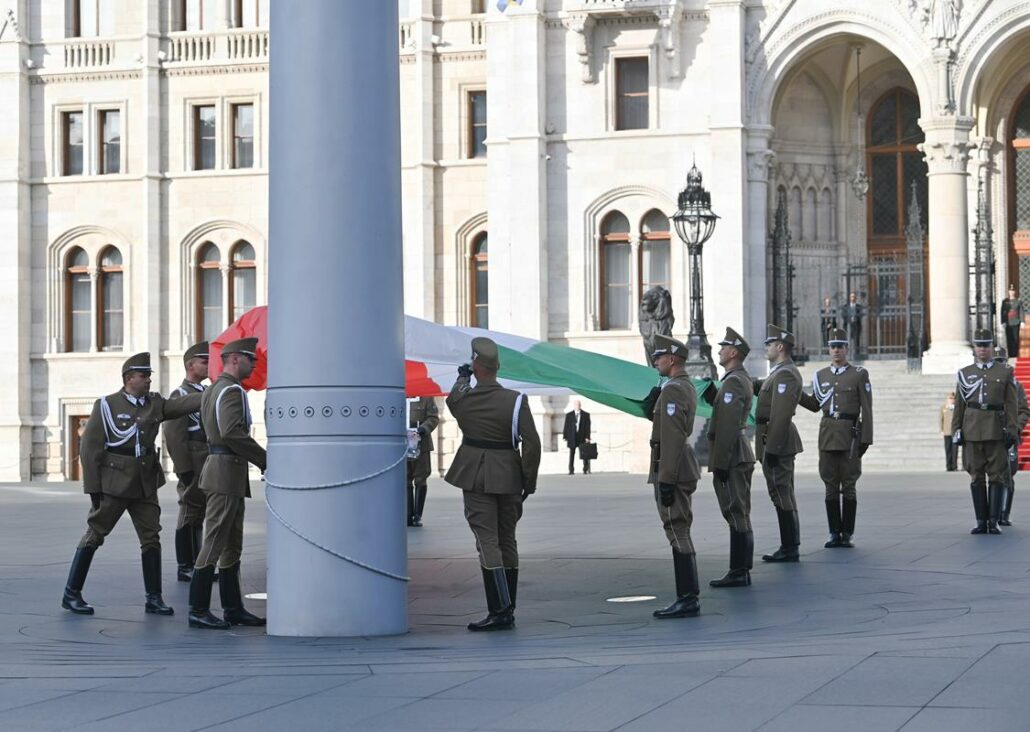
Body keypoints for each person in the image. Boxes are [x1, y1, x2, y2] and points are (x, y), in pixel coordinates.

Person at [61, 352, 203, 616]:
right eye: (143, 376)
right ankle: (71, 594)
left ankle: (154, 598)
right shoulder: (106, 405)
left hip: (145, 483)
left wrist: (211, 394)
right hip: (114, 483)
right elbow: (90, 451)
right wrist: (93, 489)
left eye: (149, 376)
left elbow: (182, 405)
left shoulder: (155, 404)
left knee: (151, 537)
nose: (149, 380)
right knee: (95, 534)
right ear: (128, 378)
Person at [445, 337, 541, 631]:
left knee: (487, 540)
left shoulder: (465, 399)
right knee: (507, 539)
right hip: (510, 475)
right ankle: (508, 606)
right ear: (496, 367)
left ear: (476, 365)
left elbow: (452, 399)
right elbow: (532, 444)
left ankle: (499, 611)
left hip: (476, 474)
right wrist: (528, 480)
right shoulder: (516, 400)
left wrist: (463, 377)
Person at [187, 337, 267, 629]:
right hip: (225, 470)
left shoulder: (214, 389)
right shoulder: (230, 390)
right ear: (235, 359)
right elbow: (232, 432)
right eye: (250, 359)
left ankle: (233, 608)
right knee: (215, 540)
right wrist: (265, 459)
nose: (254, 364)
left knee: (232, 542)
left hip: (227, 470)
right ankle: (197, 608)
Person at [646, 334, 702, 618]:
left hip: (673, 467)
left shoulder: (674, 390)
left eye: (658, 357)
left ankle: (688, 598)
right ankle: (688, 596)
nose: (654, 361)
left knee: (676, 527)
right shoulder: (679, 386)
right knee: (679, 527)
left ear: (671, 359)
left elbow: (673, 436)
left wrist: (665, 478)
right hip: (678, 465)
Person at [809, 329, 873, 549]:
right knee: (829, 484)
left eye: (840, 346)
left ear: (847, 349)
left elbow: (867, 408)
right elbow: (815, 404)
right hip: (827, 432)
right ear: (829, 349)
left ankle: (847, 533)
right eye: (833, 346)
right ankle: (834, 533)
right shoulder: (820, 376)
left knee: (849, 485)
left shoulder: (858, 374)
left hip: (849, 434)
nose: (836, 350)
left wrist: (866, 438)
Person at [952, 329, 1019, 535]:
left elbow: (1011, 403)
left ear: (992, 347)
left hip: (996, 428)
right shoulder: (965, 373)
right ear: (974, 347)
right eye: (979, 345)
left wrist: (1012, 429)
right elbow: (960, 405)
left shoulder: (1004, 371)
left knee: (997, 476)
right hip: (971, 428)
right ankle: (981, 521)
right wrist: (956, 429)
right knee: (976, 476)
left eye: (986, 345)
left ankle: (994, 521)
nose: (982, 349)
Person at [706, 327, 756, 588]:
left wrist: (721, 462)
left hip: (733, 453)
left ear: (733, 352)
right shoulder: (737, 379)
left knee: (736, 511)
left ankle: (739, 570)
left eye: (723, 347)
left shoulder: (734, 381)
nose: (719, 351)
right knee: (740, 511)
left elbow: (727, 424)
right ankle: (740, 569)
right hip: (738, 450)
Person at [754, 325, 806, 562]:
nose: (766, 348)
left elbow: (782, 414)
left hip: (778, 441)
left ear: (780, 347)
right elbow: (762, 387)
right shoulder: (779, 372)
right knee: (781, 491)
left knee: (781, 492)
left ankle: (789, 547)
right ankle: (789, 545)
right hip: (773, 439)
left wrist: (772, 448)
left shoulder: (785, 374)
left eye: (769, 344)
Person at [164, 341, 210, 582]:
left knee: (200, 513)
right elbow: (174, 435)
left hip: (206, 457)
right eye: (205, 362)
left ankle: (198, 563)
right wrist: (184, 470)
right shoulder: (180, 394)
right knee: (189, 511)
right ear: (190, 365)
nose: (209, 366)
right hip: (192, 458)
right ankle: (185, 565)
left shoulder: (204, 392)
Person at [992, 346, 1030, 526]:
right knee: (993, 474)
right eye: (996, 362)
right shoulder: (988, 385)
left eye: (1002, 361)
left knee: (1009, 473)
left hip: (1009, 436)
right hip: (991, 435)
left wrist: (1015, 428)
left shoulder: (1016, 384)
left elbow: (1023, 410)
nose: (1000, 365)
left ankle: (1004, 513)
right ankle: (993, 513)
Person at [406, 396, 439, 527]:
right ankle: (407, 514)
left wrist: (422, 430)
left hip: (421, 444)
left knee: (420, 479)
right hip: (403, 444)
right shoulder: (399, 394)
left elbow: (433, 418)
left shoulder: (426, 397)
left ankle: (417, 515)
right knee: (405, 479)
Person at [563, 400, 592, 475]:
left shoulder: (586, 415)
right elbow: (566, 426)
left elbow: (588, 427)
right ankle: (571, 469)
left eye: (578, 404)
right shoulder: (569, 415)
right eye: (576, 404)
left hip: (582, 437)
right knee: (572, 454)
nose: (577, 406)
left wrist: (587, 437)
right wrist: (565, 436)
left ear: (580, 405)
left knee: (584, 453)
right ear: (574, 405)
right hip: (572, 437)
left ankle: (585, 469)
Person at [1001, 285, 1023, 358]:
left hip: (1016, 322)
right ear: (1008, 291)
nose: (1011, 292)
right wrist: (1003, 321)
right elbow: (1003, 312)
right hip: (1008, 323)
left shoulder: (1018, 301)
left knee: (1015, 339)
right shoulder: (1005, 301)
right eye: (1010, 291)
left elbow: (1021, 311)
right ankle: (1010, 355)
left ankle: (1015, 355)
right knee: (1009, 339)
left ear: (1015, 292)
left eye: (1013, 291)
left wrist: (1022, 321)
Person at [841, 292, 864, 358]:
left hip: (856, 325)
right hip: (848, 325)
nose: (852, 298)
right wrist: (848, 319)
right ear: (849, 298)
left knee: (856, 339)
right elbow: (843, 314)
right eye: (851, 296)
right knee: (847, 340)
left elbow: (861, 314)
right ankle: (847, 354)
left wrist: (856, 317)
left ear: (856, 298)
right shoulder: (845, 306)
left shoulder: (859, 306)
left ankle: (857, 354)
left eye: (854, 296)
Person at [940, 392, 958, 472]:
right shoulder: (944, 408)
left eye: (952, 399)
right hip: (947, 431)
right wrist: (941, 430)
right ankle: (948, 466)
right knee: (948, 449)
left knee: (955, 450)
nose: (951, 400)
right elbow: (941, 420)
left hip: (954, 432)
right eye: (950, 398)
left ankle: (954, 466)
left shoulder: (956, 408)